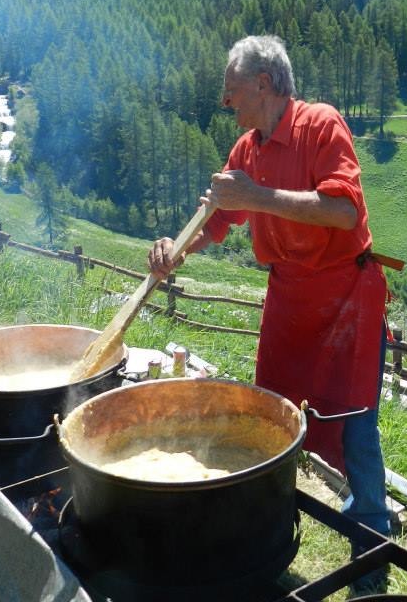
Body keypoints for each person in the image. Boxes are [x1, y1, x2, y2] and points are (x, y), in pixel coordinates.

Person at [148, 35, 393, 592]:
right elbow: (212, 220)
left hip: (344, 297)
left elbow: (343, 209)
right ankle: (271, 532)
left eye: (232, 92)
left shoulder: (320, 125)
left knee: (352, 424)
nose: (226, 103)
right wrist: (172, 247)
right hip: (289, 298)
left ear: (263, 84)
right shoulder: (248, 149)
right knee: (275, 419)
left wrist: (257, 197)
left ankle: (371, 553)